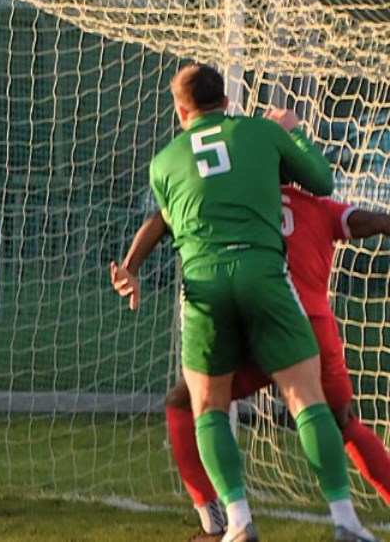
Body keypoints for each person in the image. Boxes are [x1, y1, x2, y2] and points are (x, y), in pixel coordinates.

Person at [110, 63, 377, 542]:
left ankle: (235, 521)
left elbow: (164, 219)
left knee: (206, 406)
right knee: (307, 400)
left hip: (204, 286)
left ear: (181, 111)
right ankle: (346, 522)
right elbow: (322, 183)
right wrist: (291, 133)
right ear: (227, 102)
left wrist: (130, 268)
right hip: (264, 276)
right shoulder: (260, 132)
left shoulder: (165, 162)